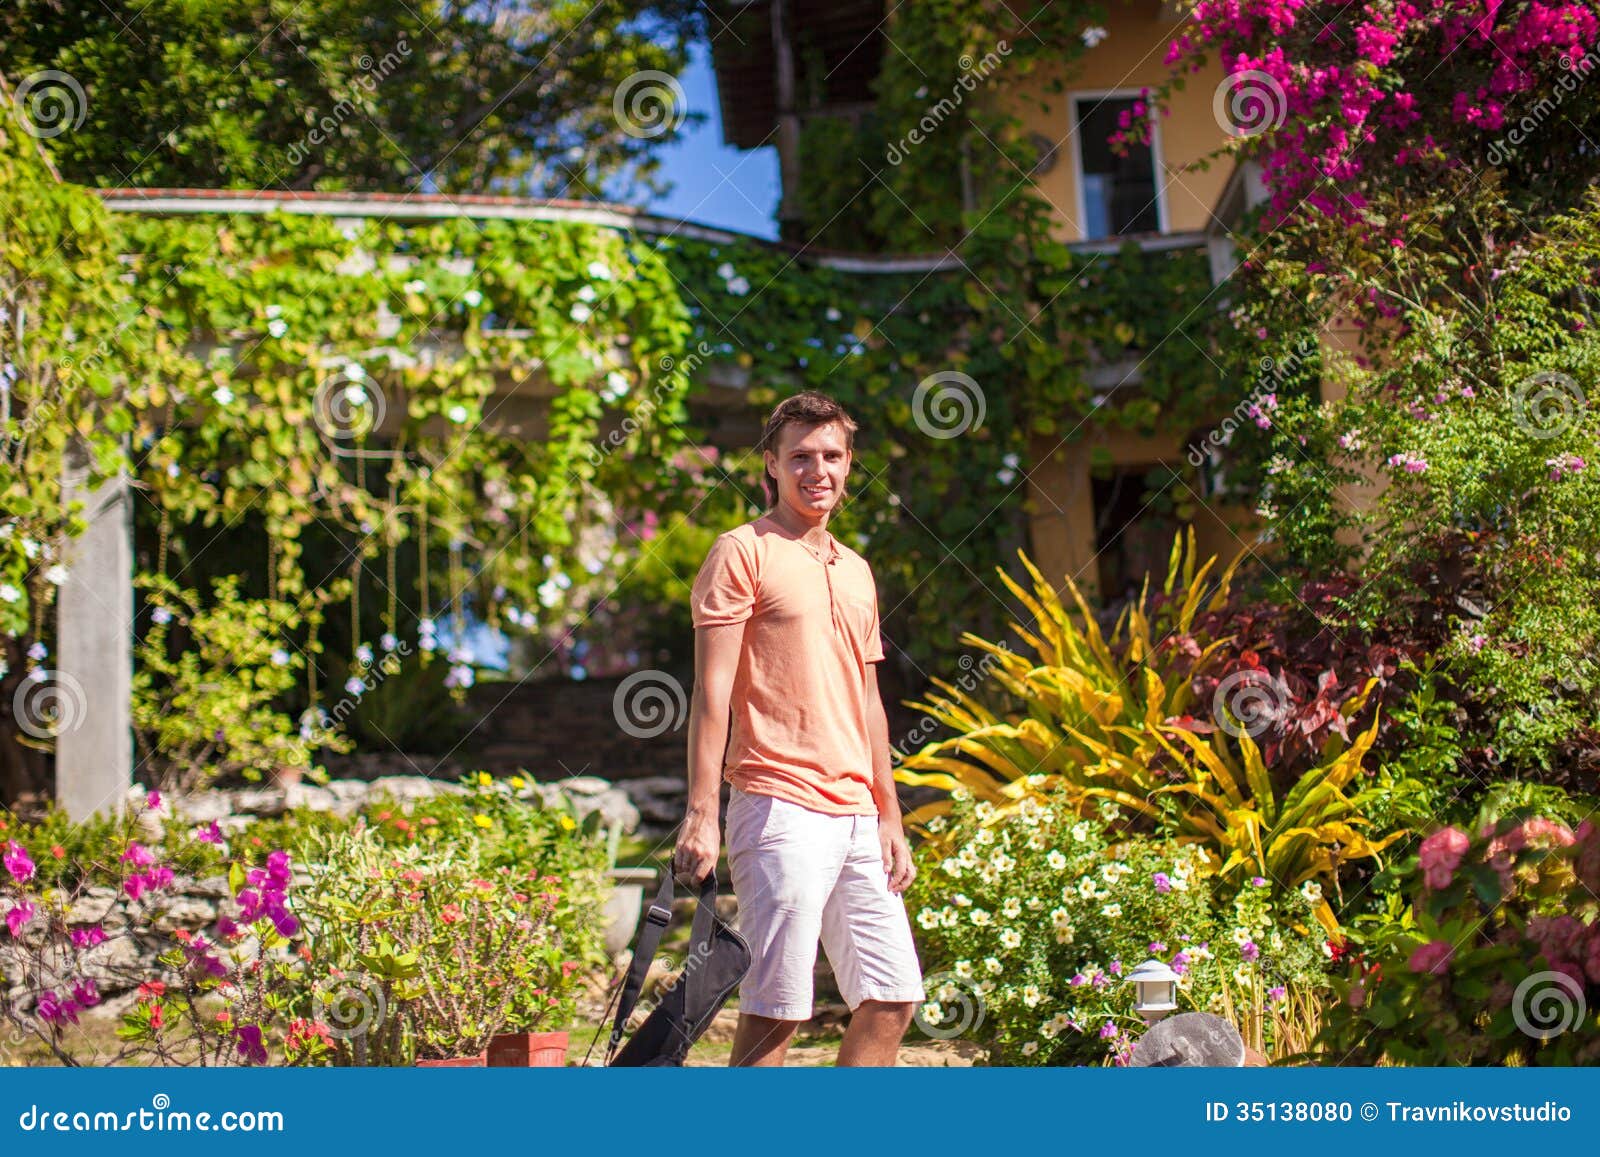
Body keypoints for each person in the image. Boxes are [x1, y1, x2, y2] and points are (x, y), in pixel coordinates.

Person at [675, 390, 926, 1067]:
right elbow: (711, 691)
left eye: (833, 456)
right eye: (802, 457)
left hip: (856, 812)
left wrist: (889, 815)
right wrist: (703, 813)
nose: (819, 469)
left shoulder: (857, 570)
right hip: (777, 802)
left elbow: (868, 700)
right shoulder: (741, 551)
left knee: (894, 993)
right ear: (772, 466)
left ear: (850, 465)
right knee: (777, 1008)